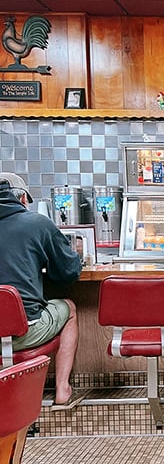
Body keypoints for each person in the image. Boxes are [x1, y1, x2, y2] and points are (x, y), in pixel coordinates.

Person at [0, 173, 81, 407]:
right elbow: (68, 273)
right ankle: (62, 389)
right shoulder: (37, 223)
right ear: (23, 199)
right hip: (25, 332)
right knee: (70, 308)